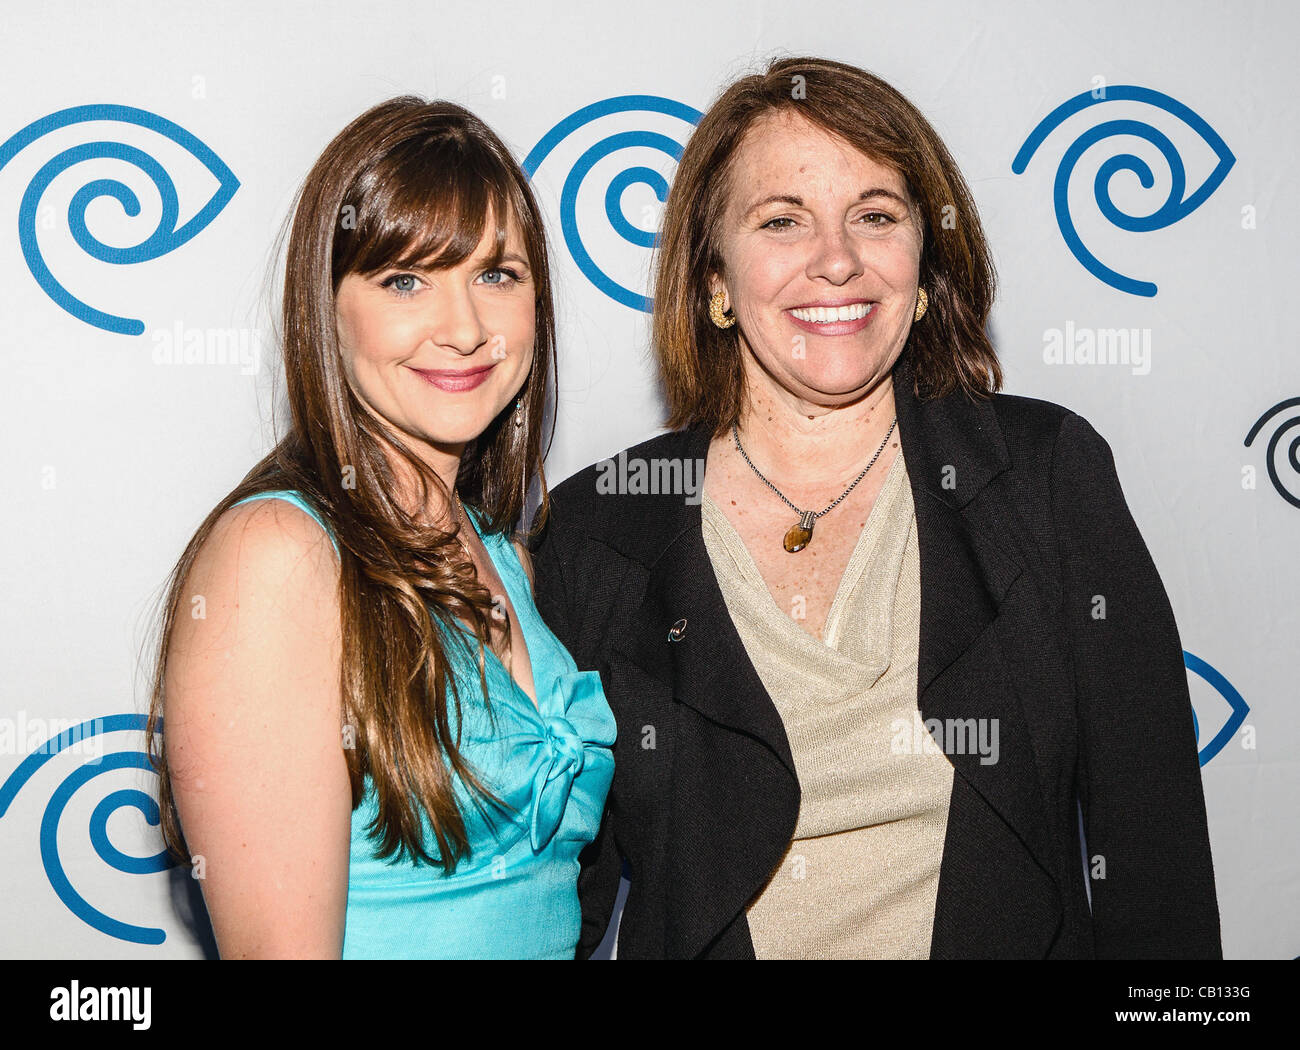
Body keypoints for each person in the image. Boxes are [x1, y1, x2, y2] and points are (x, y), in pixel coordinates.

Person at [530, 56, 1221, 959]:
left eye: (876, 216)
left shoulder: (1044, 478)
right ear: (714, 282)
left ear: (925, 265)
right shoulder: (598, 532)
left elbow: (1154, 869)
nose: (837, 260)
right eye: (783, 220)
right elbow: (550, 908)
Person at [145, 97, 614, 959]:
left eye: (497, 275)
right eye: (406, 280)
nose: (466, 327)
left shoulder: (502, 551)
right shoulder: (278, 559)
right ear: (327, 309)